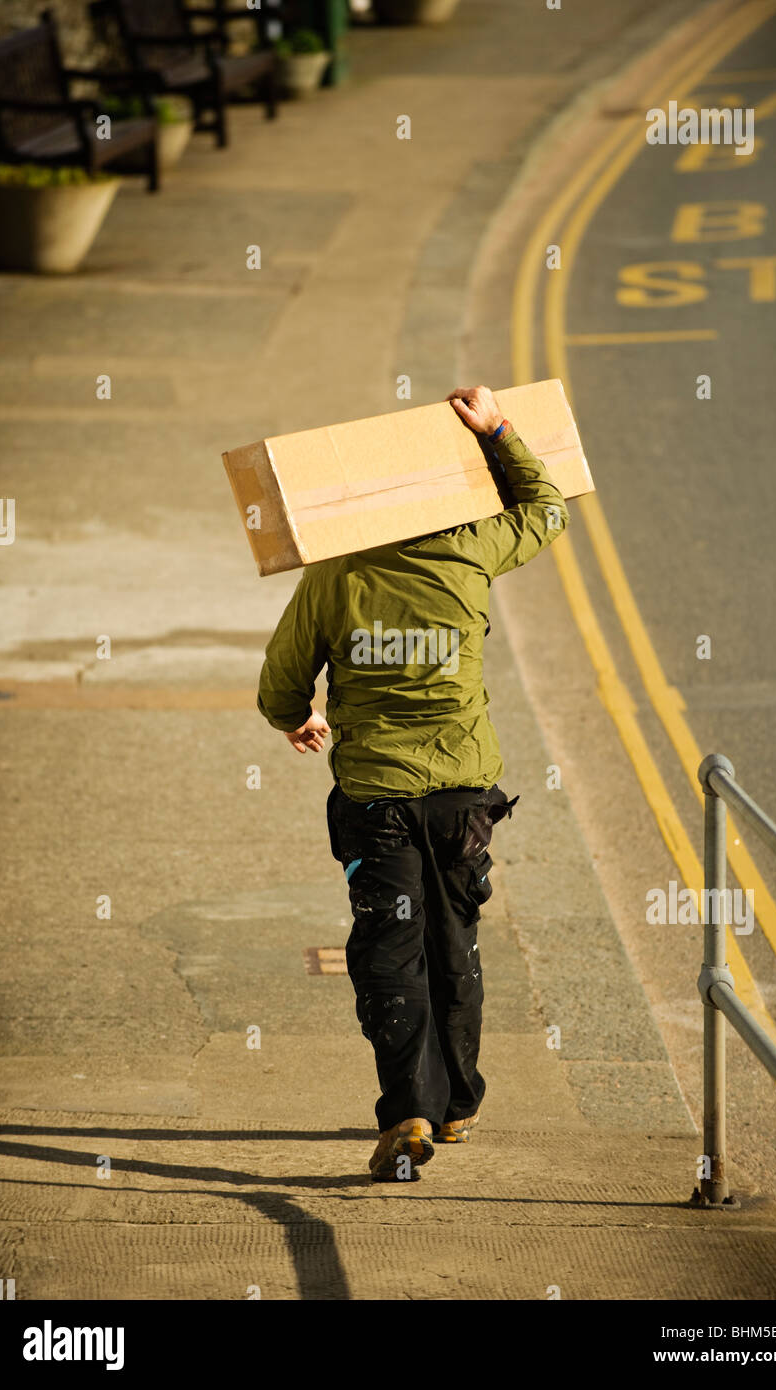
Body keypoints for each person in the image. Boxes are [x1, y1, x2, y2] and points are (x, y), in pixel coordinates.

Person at [257, 385, 569, 1181]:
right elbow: (547, 507)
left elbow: (279, 684)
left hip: (376, 801)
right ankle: (459, 1105)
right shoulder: (470, 549)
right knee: (452, 941)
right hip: (464, 798)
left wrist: (297, 717)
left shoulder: (334, 575)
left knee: (390, 953)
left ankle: (409, 1112)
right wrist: (498, 430)